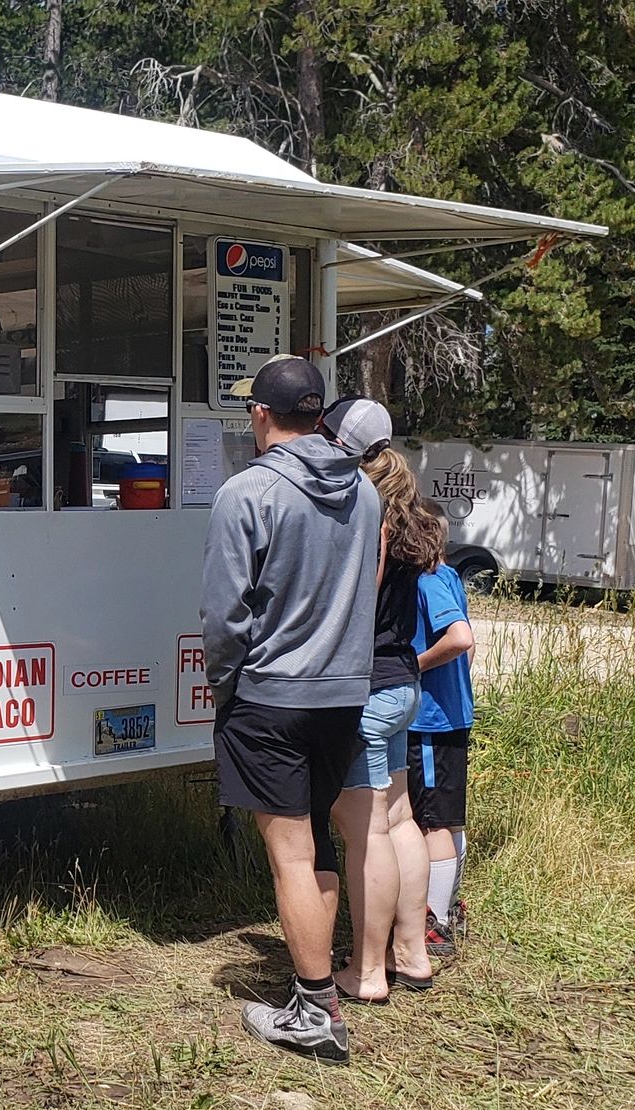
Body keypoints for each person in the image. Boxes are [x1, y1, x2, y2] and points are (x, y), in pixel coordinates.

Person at [202, 355, 380, 1065]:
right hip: (343, 695)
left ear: (260, 415)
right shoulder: (365, 493)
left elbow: (224, 616)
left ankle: (314, 1011)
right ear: (320, 414)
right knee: (321, 845)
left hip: (270, 696)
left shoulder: (246, 493)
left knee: (291, 855)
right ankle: (315, 993)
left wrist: (227, 686)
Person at [321, 399, 447, 1002]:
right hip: (403, 682)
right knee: (399, 821)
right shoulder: (411, 511)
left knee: (364, 832)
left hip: (366, 688)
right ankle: (412, 953)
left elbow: (358, 602)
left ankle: (366, 972)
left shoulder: (368, 514)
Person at [410, 542, 478, 956]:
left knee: (432, 821)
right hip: (450, 714)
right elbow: (471, 648)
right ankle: (447, 910)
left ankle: (432, 924)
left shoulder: (427, 579)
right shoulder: (449, 575)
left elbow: (460, 638)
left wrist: (411, 667)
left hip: (431, 720)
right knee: (449, 820)